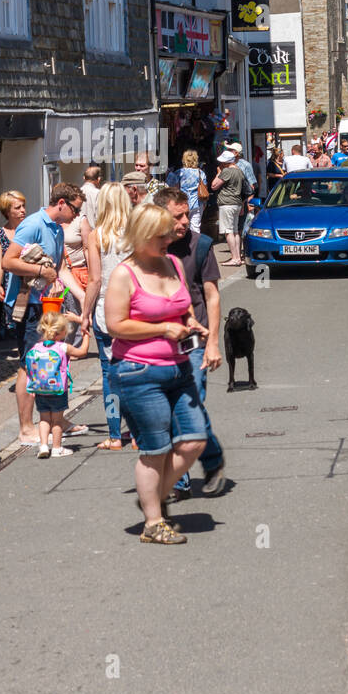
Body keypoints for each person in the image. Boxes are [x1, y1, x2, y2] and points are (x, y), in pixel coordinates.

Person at [106, 203, 209, 544]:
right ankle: (153, 522)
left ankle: (153, 496)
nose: (170, 238)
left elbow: (184, 308)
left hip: (180, 368)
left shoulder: (175, 264)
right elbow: (115, 325)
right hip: (138, 371)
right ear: (141, 236)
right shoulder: (125, 273)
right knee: (156, 448)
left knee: (194, 439)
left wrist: (190, 323)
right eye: (161, 234)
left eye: (170, 232)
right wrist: (163, 329)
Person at [154, 187, 226, 498]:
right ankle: (198, 466)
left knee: (189, 403)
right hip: (159, 341)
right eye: (177, 216)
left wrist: (213, 343)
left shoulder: (201, 245)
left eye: (186, 214)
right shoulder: (150, 249)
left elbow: (211, 296)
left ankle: (190, 472)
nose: (185, 221)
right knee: (169, 409)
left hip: (195, 340)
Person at [2, 183, 84, 446]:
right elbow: (8, 261)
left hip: (50, 303)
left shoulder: (58, 229)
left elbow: (59, 268)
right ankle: (26, 428)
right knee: (30, 362)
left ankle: (56, 420)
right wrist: (40, 272)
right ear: (61, 203)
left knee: (53, 358)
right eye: (75, 209)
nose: (76, 216)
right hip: (30, 305)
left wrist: (81, 296)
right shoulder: (33, 224)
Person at [83, 181, 132, 449]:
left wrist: (84, 313)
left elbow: (94, 279)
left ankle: (115, 434)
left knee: (109, 373)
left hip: (105, 310)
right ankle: (136, 432)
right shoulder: (136, 232)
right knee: (136, 370)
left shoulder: (96, 236)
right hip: (135, 308)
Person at [25, 311, 90, 458]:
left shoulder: (35, 347)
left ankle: (43, 446)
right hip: (58, 390)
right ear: (61, 332)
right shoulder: (63, 347)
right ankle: (56, 448)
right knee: (57, 420)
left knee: (44, 419)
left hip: (40, 390)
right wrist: (86, 335)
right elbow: (82, 352)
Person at [0, 189, 27, 340]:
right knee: (17, 328)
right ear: (7, 211)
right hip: (11, 286)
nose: (23, 210)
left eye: (23, 206)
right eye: (17, 208)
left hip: (30, 285)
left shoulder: (29, 228)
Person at [212, 149, 248, 265]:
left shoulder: (226, 171)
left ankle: (235, 258)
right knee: (235, 231)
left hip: (227, 203)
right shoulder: (239, 171)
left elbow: (214, 186)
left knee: (228, 231)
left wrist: (218, 172)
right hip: (237, 203)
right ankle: (238, 257)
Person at [173, 148, 208, 233]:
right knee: (196, 227)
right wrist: (204, 203)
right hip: (197, 203)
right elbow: (205, 188)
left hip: (183, 203)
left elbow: (175, 189)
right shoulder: (201, 173)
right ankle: (195, 245)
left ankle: (185, 245)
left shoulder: (179, 172)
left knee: (182, 226)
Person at [80, 165, 103, 230]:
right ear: (98, 179)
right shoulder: (99, 193)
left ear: (84, 178)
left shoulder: (77, 193)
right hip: (94, 232)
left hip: (80, 232)